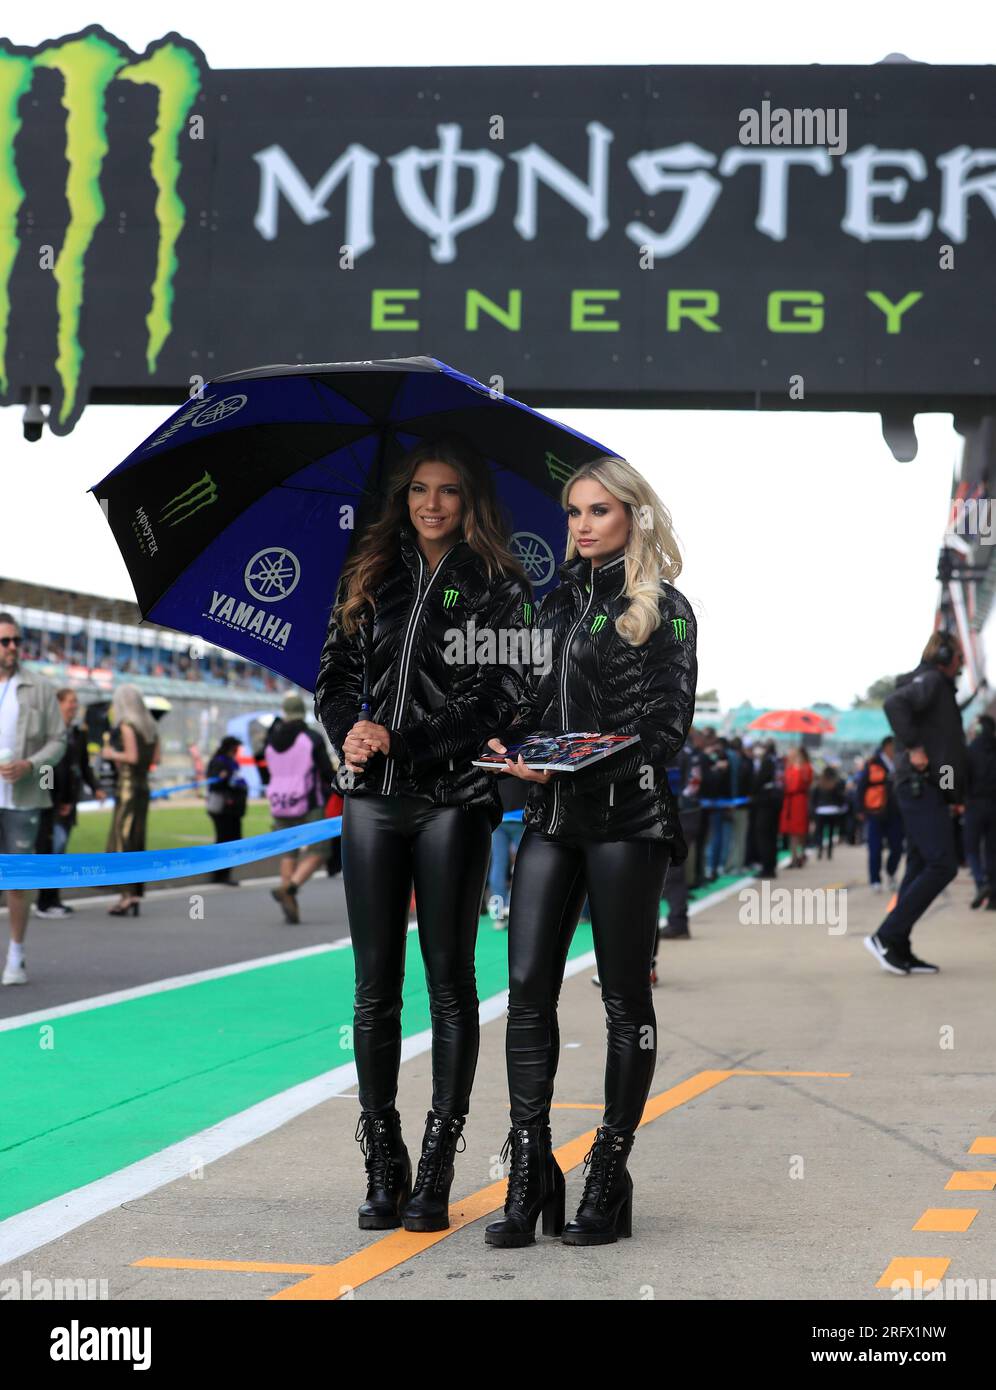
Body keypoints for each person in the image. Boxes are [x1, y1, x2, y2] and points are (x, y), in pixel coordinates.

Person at [313, 437, 532, 1234]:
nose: (431, 504)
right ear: (402, 499)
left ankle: (438, 1160)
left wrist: (401, 738)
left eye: (446, 491)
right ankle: (383, 1156)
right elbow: (333, 679)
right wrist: (354, 733)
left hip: (454, 799)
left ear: (469, 501)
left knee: (449, 981)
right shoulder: (369, 575)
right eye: (417, 491)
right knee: (373, 988)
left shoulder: (502, 588)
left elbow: (497, 702)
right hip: (371, 798)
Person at [480, 456, 697, 1248]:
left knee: (622, 1000)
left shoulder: (667, 611)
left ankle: (610, 1167)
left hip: (628, 820)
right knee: (527, 987)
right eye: (573, 511)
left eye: (598, 510)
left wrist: (568, 758)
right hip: (550, 815)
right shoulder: (554, 602)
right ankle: (532, 1167)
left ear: (632, 516)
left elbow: (665, 732)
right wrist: (514, 745)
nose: (581, 524)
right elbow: (537, 708)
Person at [865, 630, 967, 975]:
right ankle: (886, 935)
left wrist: (953, 796)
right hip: (918, 786)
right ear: (945, 658)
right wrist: (913, 747)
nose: (963, 664)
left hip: (930, 789)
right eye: (959, 658)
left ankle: (898, 945)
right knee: (942, 865)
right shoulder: (934, 682)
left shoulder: (940, 688)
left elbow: (948, 751)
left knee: (922, 865)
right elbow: (894, 704)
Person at [0, 612, 67, 984]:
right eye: (5, 641)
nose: (13, 647)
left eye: (16, 640)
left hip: (23, 798)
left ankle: (16, 956)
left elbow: (59, 740)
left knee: (17, 882)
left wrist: (30, 764)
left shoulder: (39, 687)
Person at [261, 693, 336, 921]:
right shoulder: (311, 737)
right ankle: (290, 888)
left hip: (279, 802)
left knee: (289, 851)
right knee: (320, 851)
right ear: (302, 712)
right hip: (308, 802)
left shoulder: (270, 740)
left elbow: (266, 770)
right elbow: (325, 771)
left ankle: (289, 900)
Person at [35, 687, 107, 917]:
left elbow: (83, 766)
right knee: (51, 851)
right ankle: (45, 902)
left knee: (59, 851)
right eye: (70, 702)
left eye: (76, 702)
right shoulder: (48, 733)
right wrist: (53, 801)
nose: (74, 706)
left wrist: (96, 788)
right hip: (50, 807)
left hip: (68, 805)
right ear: (58, 705)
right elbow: (45, 768)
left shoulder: (77, 733)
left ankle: (52, 899)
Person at [102, 684, 159, 916]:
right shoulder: (152, 727)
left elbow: (132, 757)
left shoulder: (127, 725)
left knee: (122, 838)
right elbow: (156, 758)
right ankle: (135, 893)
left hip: (127, 787)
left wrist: (111, 754)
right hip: (143, 786)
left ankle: (126, 895)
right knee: (138, 837)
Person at [857, 737, 904, 893]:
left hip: (896, 813)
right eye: (891, 747)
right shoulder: (873, 763)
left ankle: (891, 873)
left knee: (897, 847)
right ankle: (875, 879)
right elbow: (861, 787)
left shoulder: (902, 762)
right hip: (875, 812)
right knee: (875, 848)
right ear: (885, 747)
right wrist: (860, 809)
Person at [962, 714, 996, 910]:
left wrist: (952, 798)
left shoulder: (969, 750)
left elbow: (951, 772)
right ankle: (993, 898)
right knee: (992, 851)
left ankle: (981, 882)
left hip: (974, 805)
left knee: (971, 849)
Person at [205, 735, 248, 886]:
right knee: (224, 840)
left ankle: (223, 873)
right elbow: (215, 782)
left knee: (232, 839)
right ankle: (220, 874)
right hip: (223, 808)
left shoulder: (231, 762)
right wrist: (226, 779)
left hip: (233, 808)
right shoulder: (220, 762)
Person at [487, 776, 528, 926]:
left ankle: (498, 913)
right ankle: (512, 906)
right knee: (523, 863)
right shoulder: (522, 752)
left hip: (499, 815)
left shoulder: (493, 755)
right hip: (520, 814)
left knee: (498, 864)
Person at [752, 739, 784, 878]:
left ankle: (767, 868)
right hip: (775, 800)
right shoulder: (778, 761)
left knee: (764, 835)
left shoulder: (768, 761)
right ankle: (771, 865)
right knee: (771, 835)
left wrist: (752, 791)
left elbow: (760, 780)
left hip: (766, 801)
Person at [779, 745, 813, 867]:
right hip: (790, 802)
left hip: (799, 802)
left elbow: (798, 785)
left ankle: (798, 855)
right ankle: (795, 856)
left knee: (799, 830)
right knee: (793, 831)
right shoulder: (790, 768)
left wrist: (798, 771)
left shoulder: (804, 768)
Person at [811, 764, 848, 860]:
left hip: (821, 811)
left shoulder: (819, 784)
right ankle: (829, 853)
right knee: (831, 833)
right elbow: (841, 797)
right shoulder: (835, 784)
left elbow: (813, 798)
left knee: (820, 832)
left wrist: (814, 810)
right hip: (833, 810)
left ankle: (819, 851)